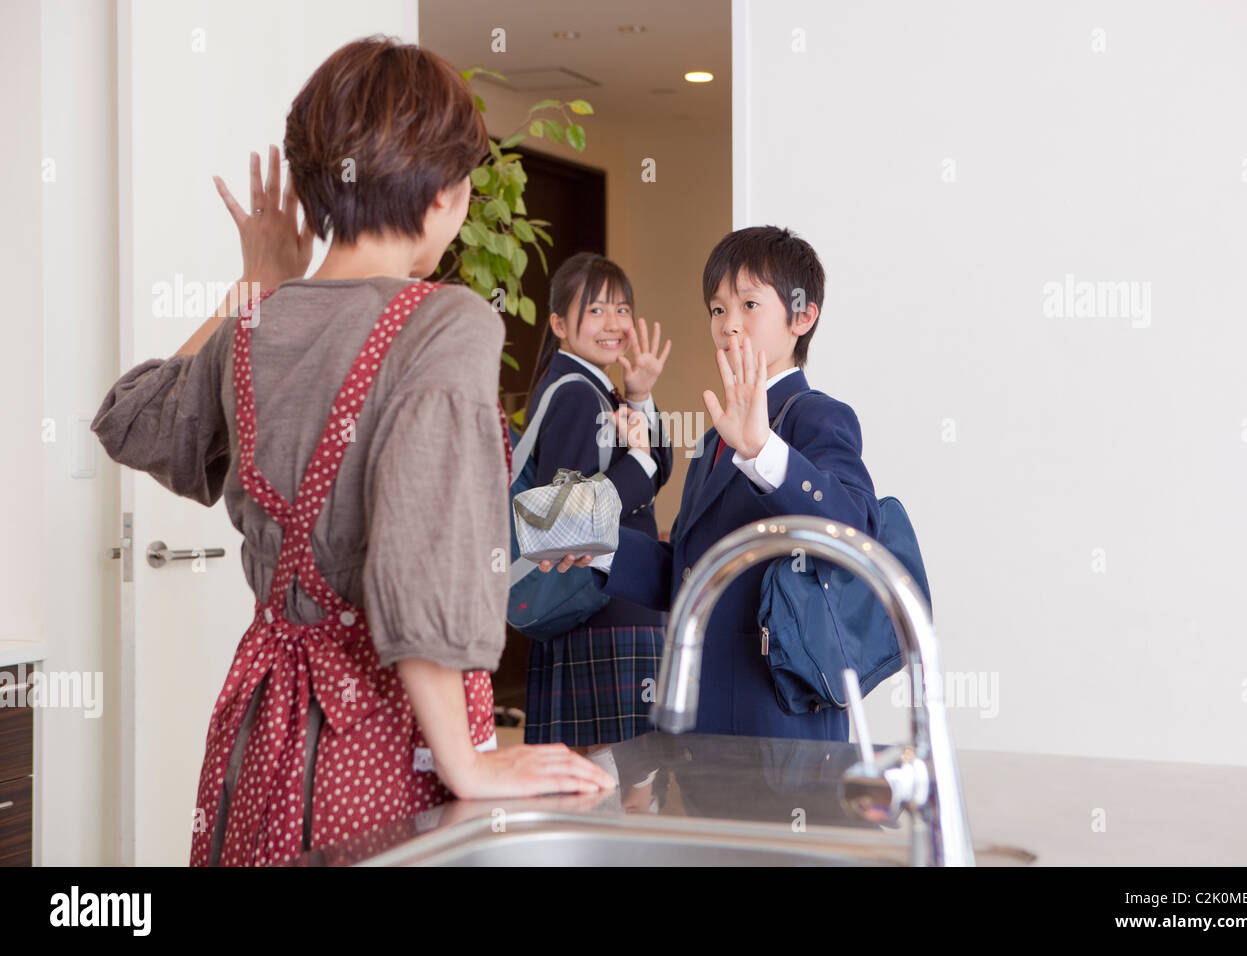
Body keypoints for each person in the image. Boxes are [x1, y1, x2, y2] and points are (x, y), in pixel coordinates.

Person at [91, 37, 611, 867]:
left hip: (262, 730)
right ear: (443, 194)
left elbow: (134, 419)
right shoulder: (446, 322)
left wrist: (257, 284)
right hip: (385, 735)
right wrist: (464, 761)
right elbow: (422, 556)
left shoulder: (256, 326)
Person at [540, 226, 878, 741]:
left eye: (749, 304)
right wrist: (600, 542)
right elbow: (686, 573)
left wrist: (764, 450)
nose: (729, 325)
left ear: (802, 316)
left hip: (779, 722)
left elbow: (852, 531)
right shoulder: (714, 438)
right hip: (701, 716)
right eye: (718, 310)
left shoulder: (816, 417)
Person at [519, 252, 673, 749]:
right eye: (597, 310)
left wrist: (640, 396)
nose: (614, 323)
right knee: (621, 787)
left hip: (603, 611)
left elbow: (656, 473)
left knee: (607, 786)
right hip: (604, 612)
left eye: (622, 309)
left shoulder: (591, 388)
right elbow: (563, 518)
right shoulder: (577, 395)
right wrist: (641, 462)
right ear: (559, 323)